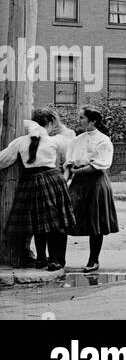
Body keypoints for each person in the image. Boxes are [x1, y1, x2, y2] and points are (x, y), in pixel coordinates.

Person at [0, 109, 75, 271]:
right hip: (53, 181)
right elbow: (70, 138)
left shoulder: (20, 141)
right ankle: (55, 260)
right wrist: (56, 123)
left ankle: (41, 258)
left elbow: (3, 160)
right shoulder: (56, 140)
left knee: (37, 223)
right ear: (49, 123)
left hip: (30, 183)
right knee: (56, 223)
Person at [65, 107, 119, 272]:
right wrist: (64, 182)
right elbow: (68, 163)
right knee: (65, 217)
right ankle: (58, 259)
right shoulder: (76, 140)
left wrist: (78, 170)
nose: (79, 120)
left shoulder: (103, 140)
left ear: (92, 121)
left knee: (95, 221)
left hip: (95, 182)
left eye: (82, 118)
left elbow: (99, 165)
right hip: (77, 183)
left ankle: (93, 260)